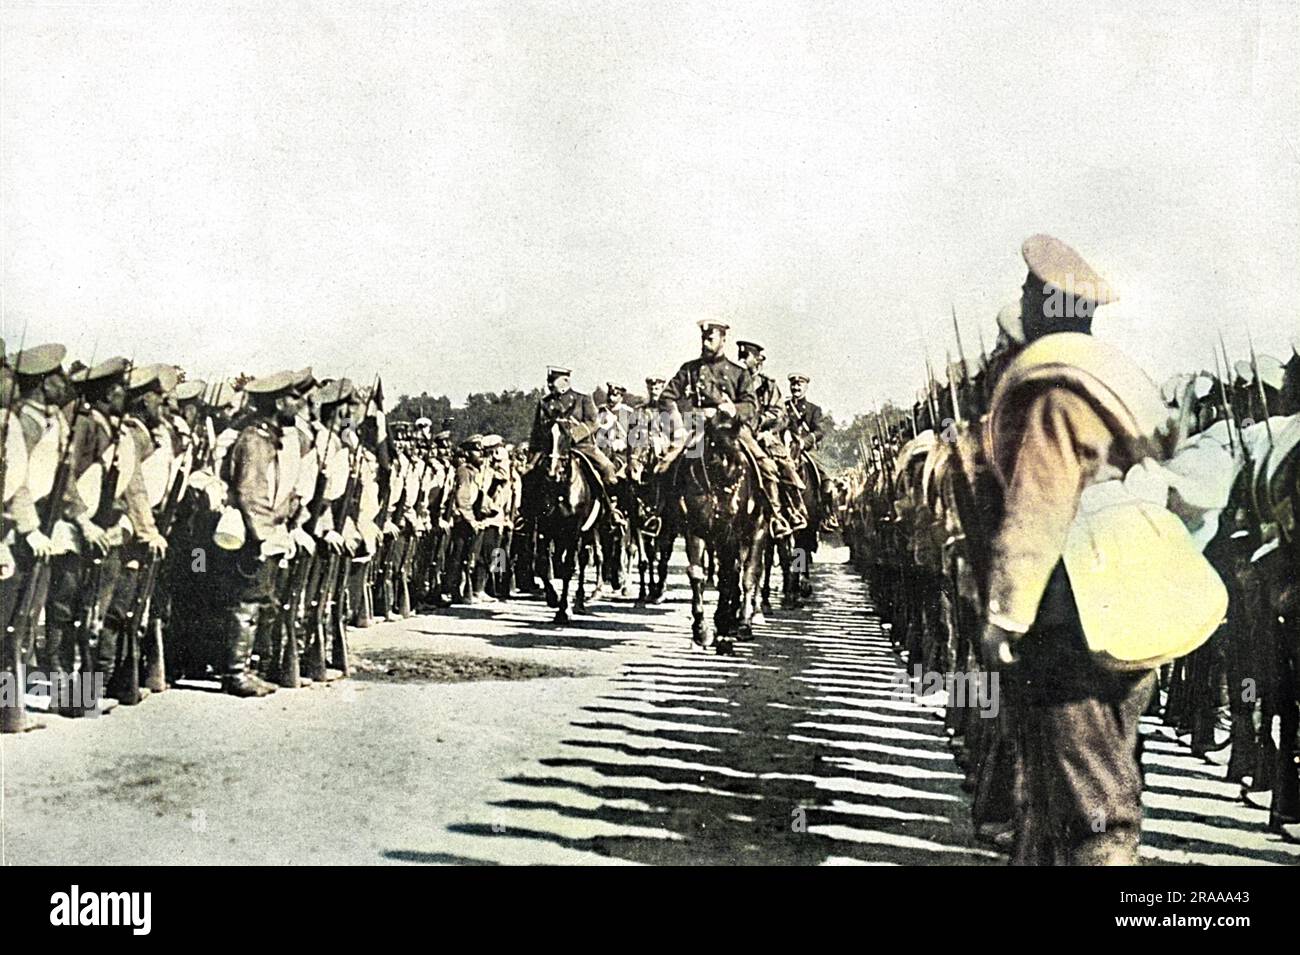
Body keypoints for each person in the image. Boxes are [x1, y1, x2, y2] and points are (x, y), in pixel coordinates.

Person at [979, 233, 1158, 865]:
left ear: (1049, 306)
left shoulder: (1055, 395)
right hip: (1137, 605)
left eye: (1031, 291)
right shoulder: (1119, 386)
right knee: (1089, 784)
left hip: (1072, 618)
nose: (1023, 301)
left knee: (1092, 809)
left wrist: (1007, 613)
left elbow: (1038, 510)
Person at [657, 319, 793, 538]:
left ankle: (777, 515)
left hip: (732, 430)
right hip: (697, 428)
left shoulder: (738, 372)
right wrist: (679, 427)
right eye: (703, 338)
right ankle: (661, 516)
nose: (705, 343)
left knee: (764, 464)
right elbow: (666, 398)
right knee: (668, 465)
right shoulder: (689, 369)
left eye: (710, 339)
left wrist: (733, 409)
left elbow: (751, 406)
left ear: (722, 339)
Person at [526, 366, 625, 527]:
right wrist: (531, 460)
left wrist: (572, 435)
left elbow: (593, 422)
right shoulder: (544, 403)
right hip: (552, 449)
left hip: (581, 447)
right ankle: (525, 516)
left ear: (565, 380)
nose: (549, 384)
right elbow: (536, 433)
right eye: (549, 381)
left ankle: (611, 510)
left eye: (553, 381)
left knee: (607, 469)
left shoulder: (582, 399)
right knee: (530, 477)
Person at [736, 340, 808, 533]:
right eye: (740, 356)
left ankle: (783, 514)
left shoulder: (768, 385)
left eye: (746, 357)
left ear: (758, 362)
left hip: (762, 435)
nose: (741, 361)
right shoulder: (731, 380)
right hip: (734, 433)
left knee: (778, 466)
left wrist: (762, 425)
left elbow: (780, 414)